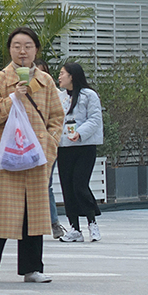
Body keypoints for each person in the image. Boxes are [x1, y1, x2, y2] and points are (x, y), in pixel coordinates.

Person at [0, 28, 64, 284]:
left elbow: (57, 116)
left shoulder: (46, 81)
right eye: (16, 46)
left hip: (36, 156)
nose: (22, 51)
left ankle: (32, 268)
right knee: (2, 210)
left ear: (36, 49)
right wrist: (14, 97)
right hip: (6, 157)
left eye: (27, 46)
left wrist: (51, 141)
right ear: (9, 49)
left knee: (33, 211)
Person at [54, 61, 105, 243]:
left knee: (79, 184)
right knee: (67, 187)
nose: (59, 77)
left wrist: (80, 133)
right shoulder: (58, 97)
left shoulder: (88, 95)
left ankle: (92, 222)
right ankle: (74, 228)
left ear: (72, 76)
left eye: (62, 74)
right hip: (64, 147)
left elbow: (95, 118)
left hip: (85, 147)